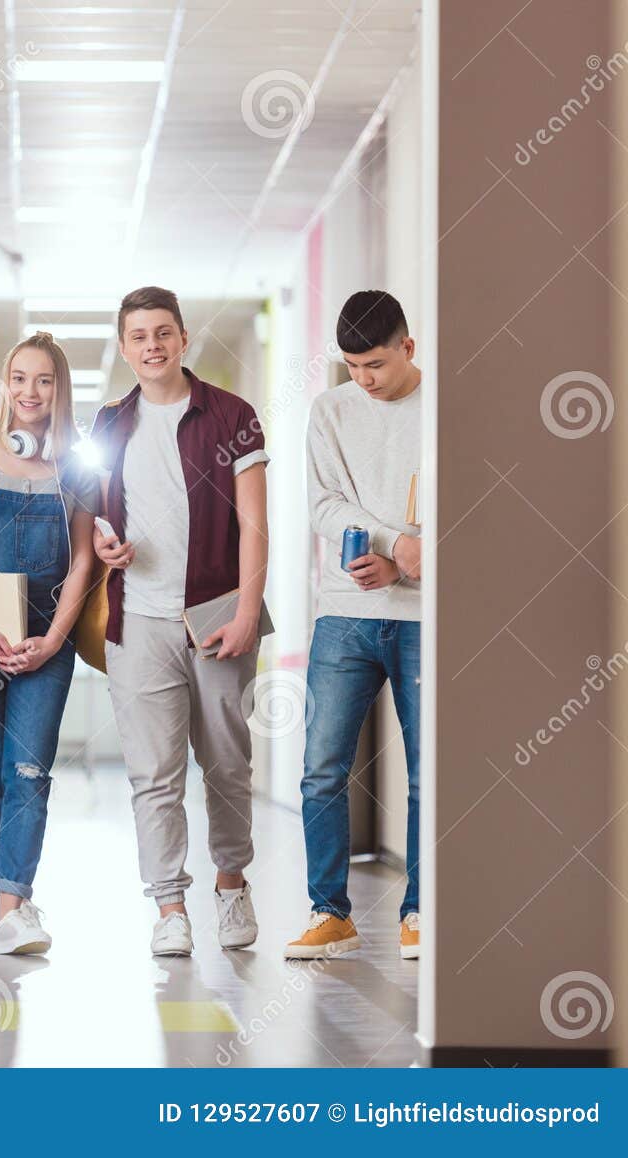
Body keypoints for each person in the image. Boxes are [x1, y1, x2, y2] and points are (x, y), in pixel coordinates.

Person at [92, 286, 269, 957]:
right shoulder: (109, 424)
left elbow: (256, 524)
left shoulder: (233, 416)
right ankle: (169, 907)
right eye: (138, 336)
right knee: (154, 773)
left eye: (163, 333)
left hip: (219, 608)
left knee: (226, 763)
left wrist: (249, 609)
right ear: (124, 346)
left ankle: (230, 885)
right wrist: (107, 542)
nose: (152, 346)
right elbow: (97, 514)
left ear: (184, 338)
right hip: (136, 616)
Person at [0, 331, 97, 956]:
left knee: (29, 770)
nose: (31, 392)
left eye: (45, 381)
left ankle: (9, 908)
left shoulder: (77, 466)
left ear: (60, 390)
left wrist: (53, 640)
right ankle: (20, 900)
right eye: (20, 378)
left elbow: (83, 560)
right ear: (4, 383)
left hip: (46, 641)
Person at [284, 290, 423, 962]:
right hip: (344, 613)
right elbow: (324, 504)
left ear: (408, 348)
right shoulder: (330, 410)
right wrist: (397, 546)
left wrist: (407, 564)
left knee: (431, 770)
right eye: (351, 366)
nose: (363, 379)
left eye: (375, 364)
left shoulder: (445, 410)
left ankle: (421, 912)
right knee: (320, 768)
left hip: (425, 614)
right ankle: (328, 912)